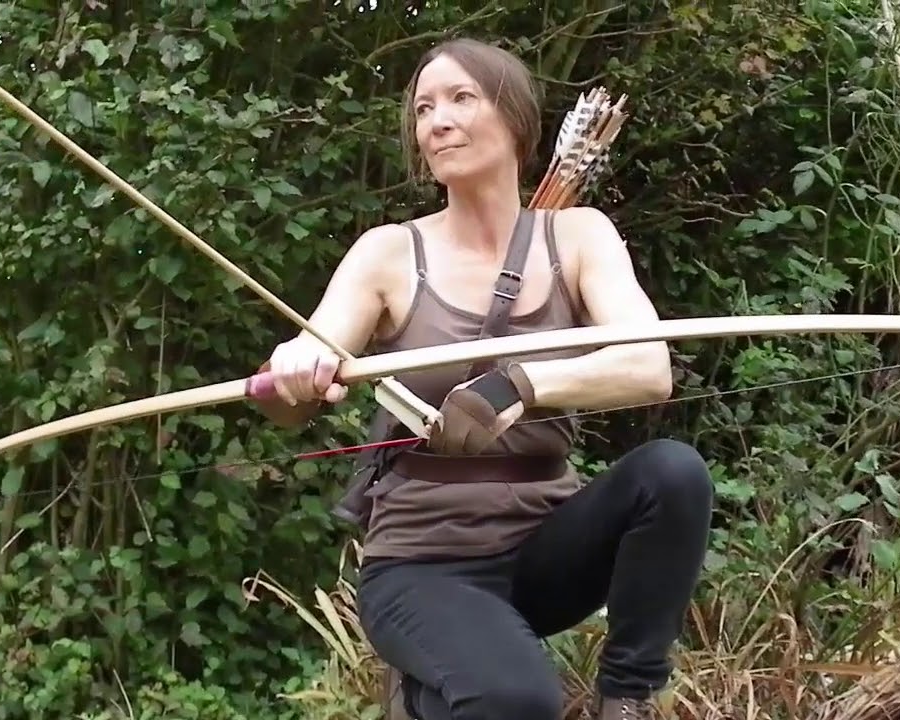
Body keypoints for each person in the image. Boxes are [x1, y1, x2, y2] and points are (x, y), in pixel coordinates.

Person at [255, 37, 714, 720]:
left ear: (515, 120)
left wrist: (520, 385)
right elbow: (300, 376)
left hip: (542, 549)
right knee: (514, 702)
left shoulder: (580, 237)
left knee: (673, 473)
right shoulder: (388, 252)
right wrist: (293, 370)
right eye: (423, 109)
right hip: (421, 568)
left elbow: (648, 368)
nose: (437, 120)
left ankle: (628, 699)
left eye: (461, 98)